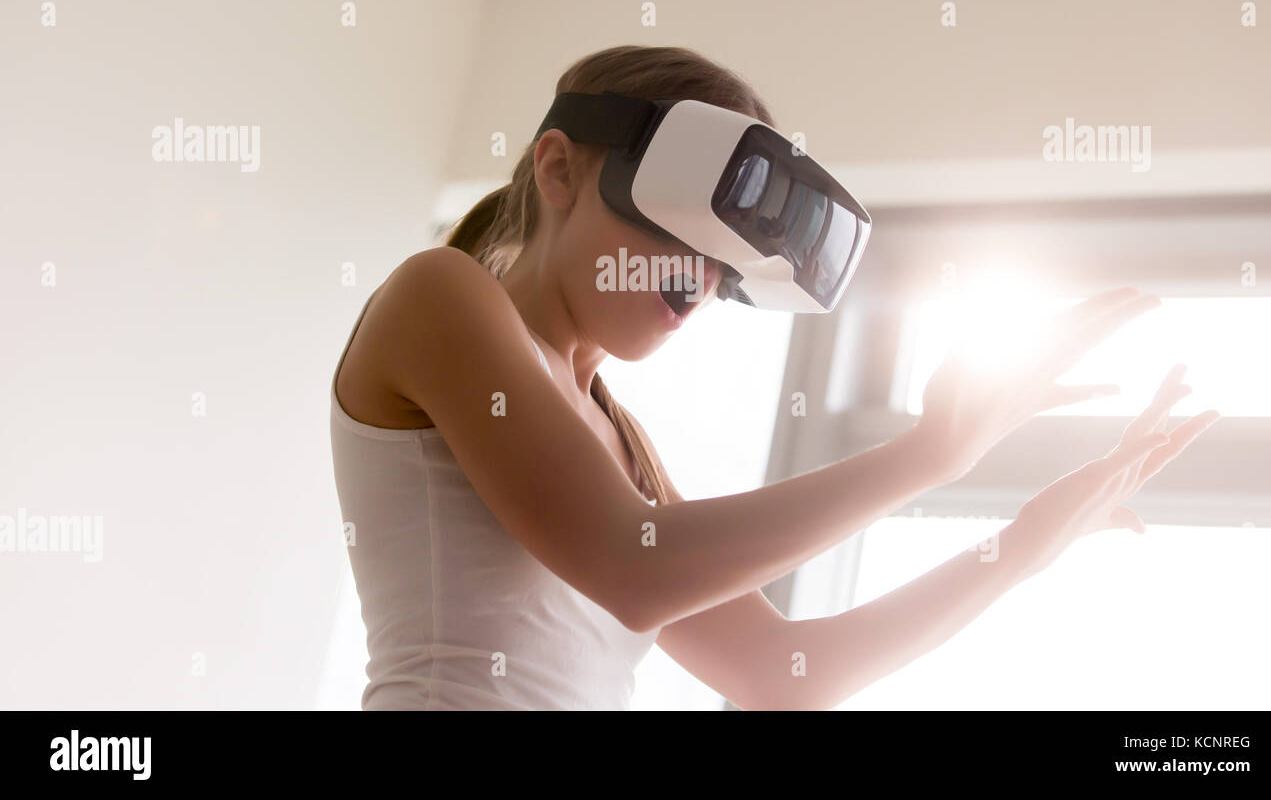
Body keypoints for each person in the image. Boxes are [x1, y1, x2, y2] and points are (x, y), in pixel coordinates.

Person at [329, 44, 1219, 710]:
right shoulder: (438, 295)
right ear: (558, 169)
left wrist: (1022, 546)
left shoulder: (616, 444)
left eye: (726, 264)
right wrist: (930, 454)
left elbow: (781, 672)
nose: (700, 283)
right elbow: (633, 572)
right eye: (678, 236)